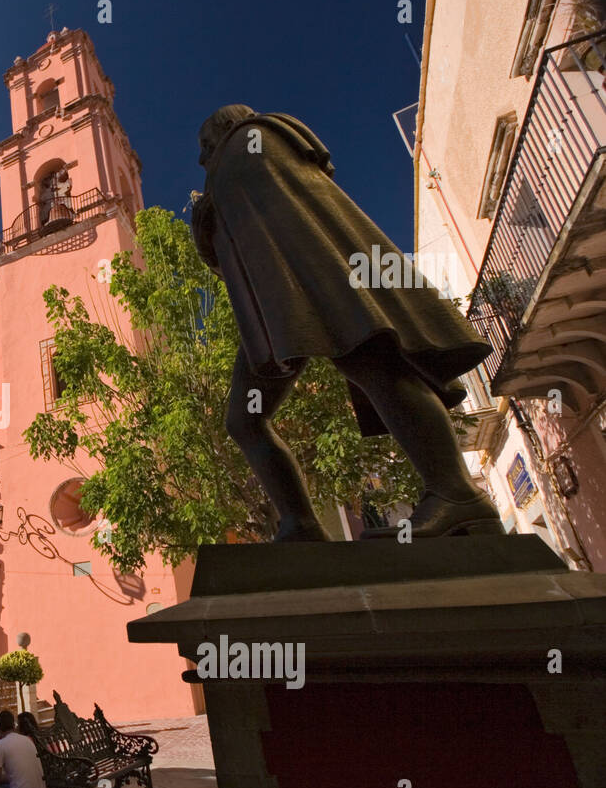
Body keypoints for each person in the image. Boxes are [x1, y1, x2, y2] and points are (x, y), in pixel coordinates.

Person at [191, 104, 503, 540]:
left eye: (205, 146)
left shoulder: (249, 143)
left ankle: (457, 495)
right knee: (245, 418)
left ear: (223, 130)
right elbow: (233, 246)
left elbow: (248, 218)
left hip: (317, 276)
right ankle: (300, 523)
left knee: (371, 360)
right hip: (275, 298)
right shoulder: (238, 164)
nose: (202, 158)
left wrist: (207, 213)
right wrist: (208, 222)